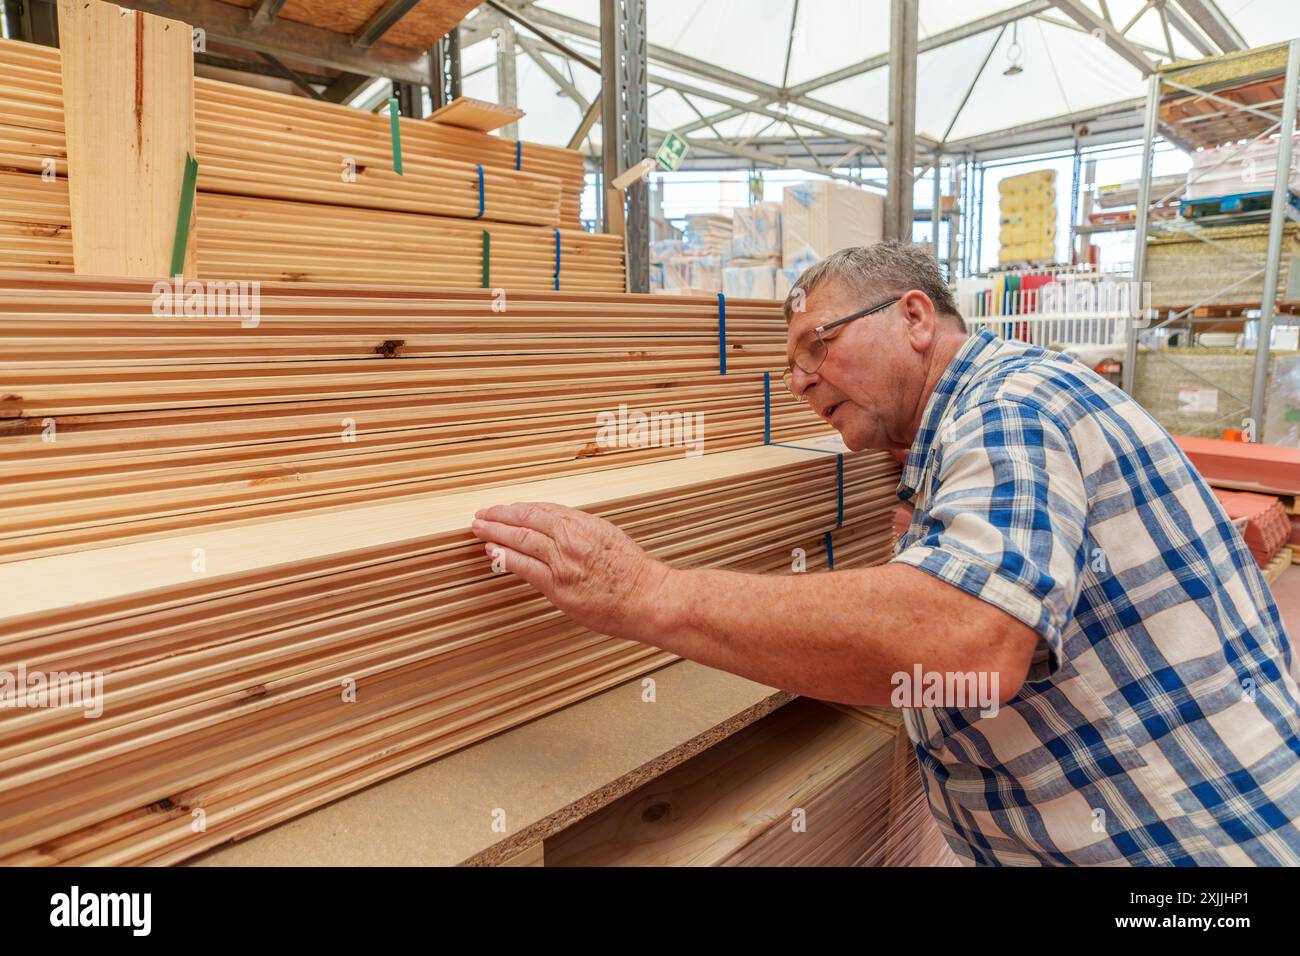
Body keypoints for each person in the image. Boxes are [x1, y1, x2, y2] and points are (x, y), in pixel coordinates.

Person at [471, 240, 1300, 865]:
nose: (798, 382)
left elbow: (967, 641)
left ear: (913, 317)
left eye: (816, 345)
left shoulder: (1010, 407)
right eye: (787, 363)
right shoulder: (976, 417)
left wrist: (644, 591)